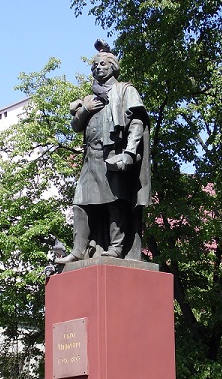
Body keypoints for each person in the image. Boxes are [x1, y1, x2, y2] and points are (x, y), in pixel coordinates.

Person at [57, 40, 151, 264]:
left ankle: (117, 248)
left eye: (103, 64)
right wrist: (85, 110)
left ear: (113, 67)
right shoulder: (90, 99)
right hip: (90, 158)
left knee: (115, 202)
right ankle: (78, 250)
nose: (98, 67)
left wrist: (129, 153)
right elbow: (76, 126)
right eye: (95, 65)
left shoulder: (125, 90)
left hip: (113, 155)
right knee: (79, 204)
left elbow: (137, 122)